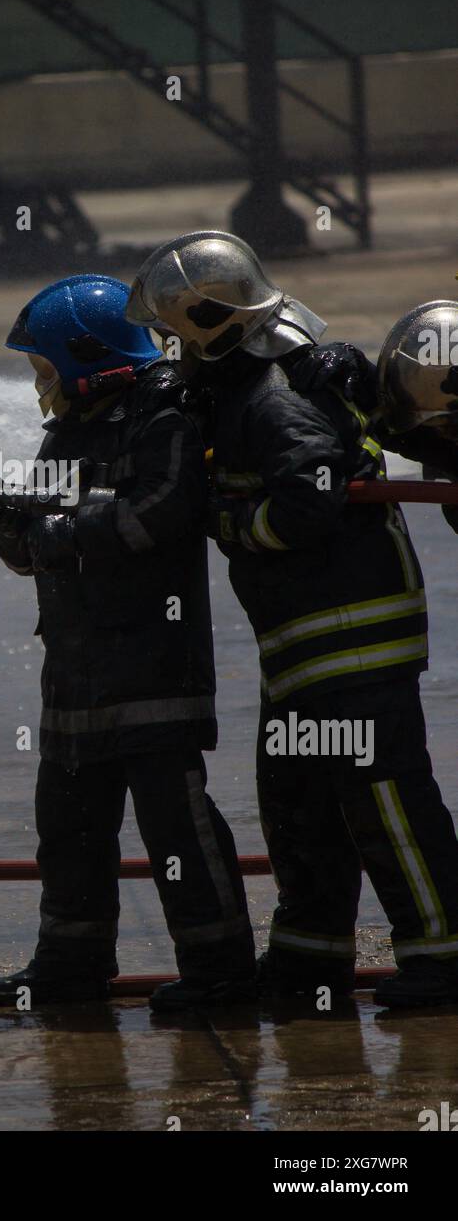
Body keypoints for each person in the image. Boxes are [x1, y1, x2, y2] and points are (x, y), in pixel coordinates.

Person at [127, 234, 458, 1008]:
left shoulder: (270, 396)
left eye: (175, 338)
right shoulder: (250, 382)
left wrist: (233, 524)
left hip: (352, 639)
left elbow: (311, 496)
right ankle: (309, 965)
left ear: (213, 326)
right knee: (299, 805)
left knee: (385, 801)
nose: (169, 355)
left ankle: (445, 959)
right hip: (306, 648)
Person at [0, 273, 255, 1010]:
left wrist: (56, 530)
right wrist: (5, 517)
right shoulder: (64, 434)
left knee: (177, 832)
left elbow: (161, 511)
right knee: (68, 830)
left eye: (45, 368)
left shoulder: (163, 417)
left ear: (85, 358)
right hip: (74, 674)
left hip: (153, 668)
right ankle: (69, 967)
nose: (41, 386)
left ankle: (219, 973)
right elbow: (28, 549)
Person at [290, 300, 458, 535]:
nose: (443, 434)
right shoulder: (446, 448)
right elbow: (407, 435)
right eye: (441, 428)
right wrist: (363, 378)